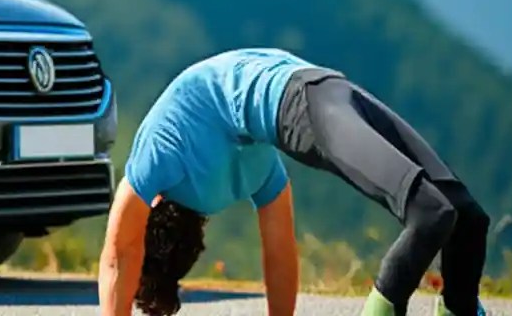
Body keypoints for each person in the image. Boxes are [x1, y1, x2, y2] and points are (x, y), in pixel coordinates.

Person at [98, 48, 489, 316]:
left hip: (320, 90)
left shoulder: (202, 159)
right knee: (435, 212)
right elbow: (279, 251)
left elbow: (123, 248)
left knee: (467, 218)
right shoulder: (201, 160)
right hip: (313, 99)